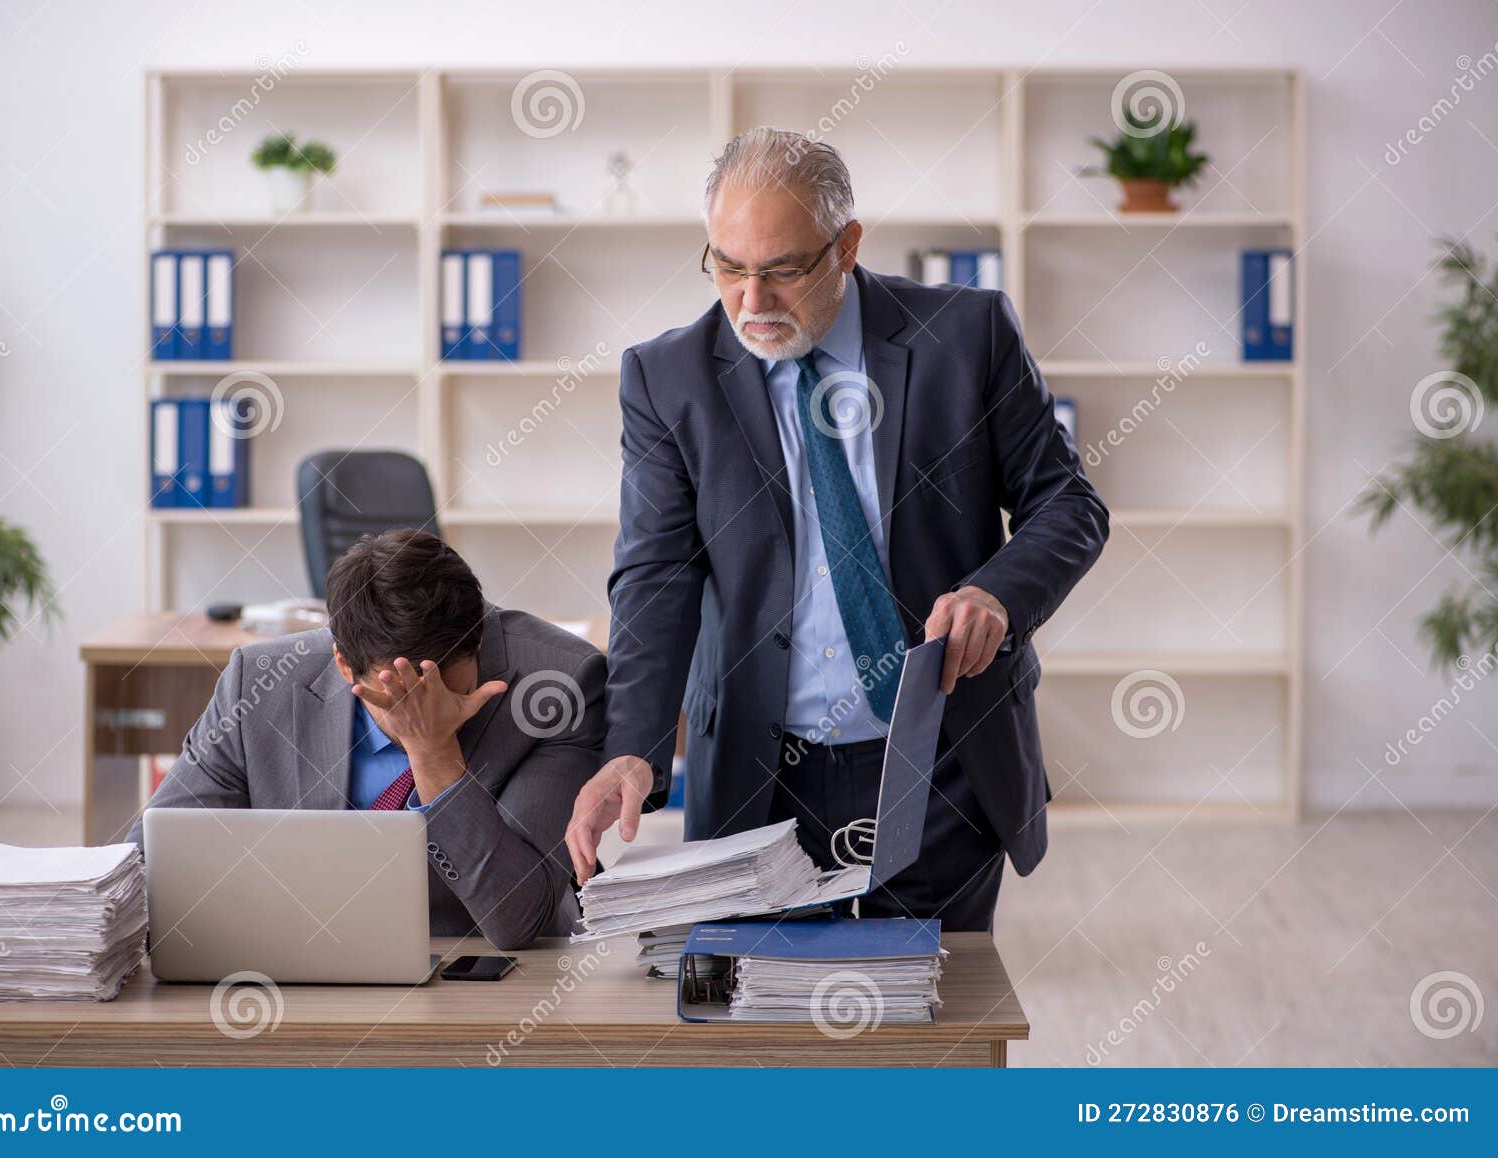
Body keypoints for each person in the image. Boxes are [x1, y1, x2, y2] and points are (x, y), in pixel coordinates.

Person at [566, 127, 1109, 930]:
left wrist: (997, 593)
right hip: (759, 773)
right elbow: (655, 575)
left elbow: (1068, 504)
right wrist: (631, 748)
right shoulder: (667, 377)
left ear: (846, 246)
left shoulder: (967, 336)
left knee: (930, 1030)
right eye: (728, 267)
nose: (752, 303)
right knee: (761, 1030)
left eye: (782, 270)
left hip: (938, 762)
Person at [131, 529, 605, 950]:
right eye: (395, 698)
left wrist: (433, 753)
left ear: (477, 639)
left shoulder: (560, 684)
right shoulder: (258, 683)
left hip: (477, 973)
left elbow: (516, 919)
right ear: (343, 665)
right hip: (295, 963)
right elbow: (149, 868)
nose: (422, 706)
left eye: (444, 688)